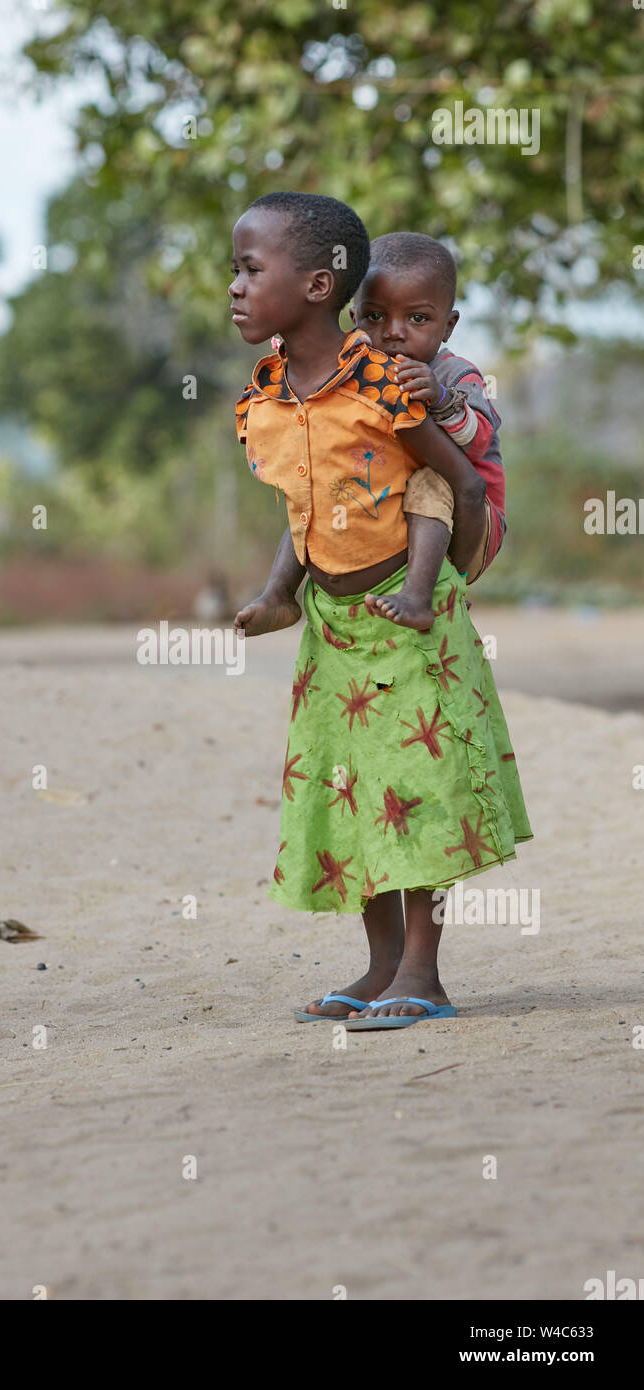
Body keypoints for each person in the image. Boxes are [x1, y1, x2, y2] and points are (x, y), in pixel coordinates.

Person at [230, 191, 532, 1027]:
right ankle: (379, 969)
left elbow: (465, 477)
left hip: (415, 605)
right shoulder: (275, 390)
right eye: (237, 270)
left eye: (252, 270)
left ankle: (423, 975)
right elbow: (309, 503)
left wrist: (436, 586)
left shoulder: (406, 383)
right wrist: (275, 596)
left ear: (317, 285)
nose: (236, 286)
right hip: (333, 622)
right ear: (354, 304)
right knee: (356, 790)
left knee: (419, 788)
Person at [349, 231, 506, 629]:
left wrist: (438, 397)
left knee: (428, 482)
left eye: (418, 318)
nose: (394, 332)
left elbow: (477, 440)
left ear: (448, 326)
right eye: (375, 316)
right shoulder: (361, 371)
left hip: (473, 517)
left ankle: (423, 596)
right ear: (353, 319)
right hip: (409, 509)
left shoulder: (455, 374)